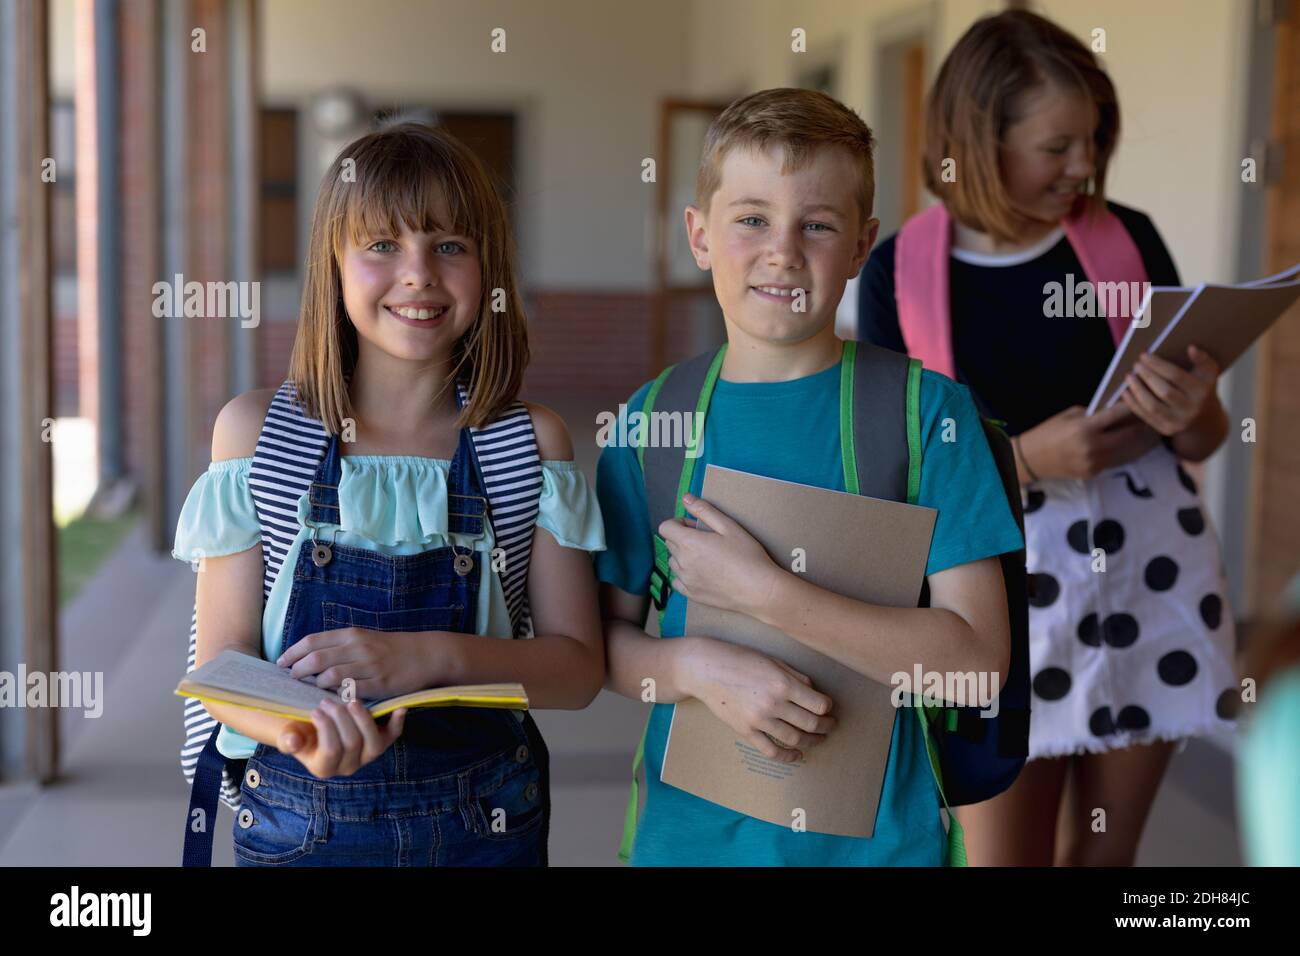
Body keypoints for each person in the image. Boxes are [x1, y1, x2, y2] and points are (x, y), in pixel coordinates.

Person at [596, 87, 1023, 866]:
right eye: (751, 219)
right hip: (683, 843)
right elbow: (598, 647)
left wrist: (769, 595)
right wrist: (689, 665)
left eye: (817, 225)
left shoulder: (927, 417)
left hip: (885, 848)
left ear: (863, 245)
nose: (783, 251)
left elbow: (973, 669)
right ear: (698, 234)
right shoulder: (653, 422)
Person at [858, 10, 1237, 866]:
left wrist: (1194, 410)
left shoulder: (1126, 240)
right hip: (996, 600)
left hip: (1153, 578)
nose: (1084, 167)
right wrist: (1027, 459)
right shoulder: (902, 272)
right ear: (976, 139)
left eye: (1095, 141)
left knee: (1108, 860)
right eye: (1058, 145)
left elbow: (1204, 440)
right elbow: (889, 480)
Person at [173, 122, 606, 866]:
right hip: (297, 824)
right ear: (332, 267)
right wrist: (298, 733)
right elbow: (220, 662)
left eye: (449, 245)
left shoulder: (527, 444)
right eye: (382, 246)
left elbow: (577, 671)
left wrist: (427, 657)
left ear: (488, 266)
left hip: (486, 824)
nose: (419, 274)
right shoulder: (256, 435)